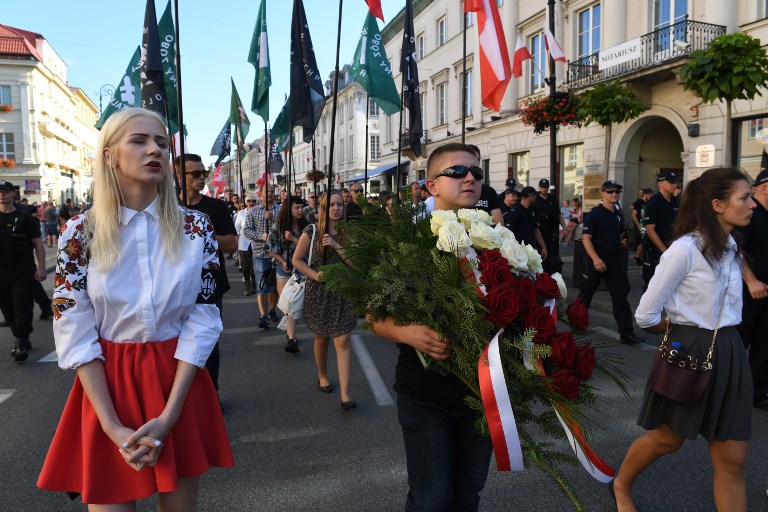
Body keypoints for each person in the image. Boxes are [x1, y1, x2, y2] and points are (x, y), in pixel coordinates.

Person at [37, 108, 233, 508]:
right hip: (107, 385)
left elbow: (204, 315)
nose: (154, 150)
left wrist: (170, 415)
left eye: (161, 142)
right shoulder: (81, 231)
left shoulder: (196, 228)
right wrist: (110, 425)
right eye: (139, 141)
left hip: (177, 378)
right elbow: (71, 321)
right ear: (109, 155)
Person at [612, 167, 755, 512]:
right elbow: (645, 313)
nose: (752, 203)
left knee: (732, 459)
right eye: (745, 197)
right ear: (718, 205)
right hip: (689, 350)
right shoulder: (684, 250)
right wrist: (677, 331)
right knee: (667, 439)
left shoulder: (731, 244)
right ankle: (621, 485)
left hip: (731, 351)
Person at [369, 143, 493, 511]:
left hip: (483, 388)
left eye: (476, 172)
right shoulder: (407, 241)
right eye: (457, 171)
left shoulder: (496, 239)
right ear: (432, 185)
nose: (470, 177)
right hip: (426, 392)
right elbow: (374, 314)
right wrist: (408, 333)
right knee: (430, 499)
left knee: (468, 493)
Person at [175, 153, 237, 393]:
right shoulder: (167, 205)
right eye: (196, 174)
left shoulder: (216, 206)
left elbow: (231, 243)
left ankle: (211, 393)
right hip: (176, 283)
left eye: (204, 173)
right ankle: (182, 395)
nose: (202, 178)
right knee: (176, 342)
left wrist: (197, 233)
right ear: (180, 177)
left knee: (208, 341)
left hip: (210, 284)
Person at [292, 191, 357, 409]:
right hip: (319, 291)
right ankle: (322, 374)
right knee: (322, 338)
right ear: (323, 208)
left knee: (343, 340)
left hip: (343, 290)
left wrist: (337, 246)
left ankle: (346, 395)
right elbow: (297, 260)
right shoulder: (311, 231)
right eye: (331, 205)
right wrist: (316, 276)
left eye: (339, 204)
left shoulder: (350, 232)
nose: (336, 208)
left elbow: (357, 264)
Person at [574, 181, 643, 345]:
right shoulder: (594, 214)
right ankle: (577, 325)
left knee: (620, 296)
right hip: (595, 261)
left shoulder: (618, 214)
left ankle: (627, 333)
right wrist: (596, 259)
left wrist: (623, 242)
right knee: (586, 294)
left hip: (614, 261)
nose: (614, 194)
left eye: (617, 192)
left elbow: (621, 235)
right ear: (603, 194)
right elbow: (586, 239)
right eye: (610, 191)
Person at [0, 181, 47, 361]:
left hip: (22, 269)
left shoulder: (25, 217)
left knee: (22, 305)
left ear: (13, 195)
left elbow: (37, 243)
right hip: (1, 271)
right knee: (7, 307)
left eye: (6, 192)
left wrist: (41, 267)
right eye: (0, 192)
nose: (2, 195)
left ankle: (20, 340)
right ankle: (20, 336)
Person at [736, 168, 768, 411]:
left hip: (766, 292)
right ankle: (726, 389)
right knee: (739, 342)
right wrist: (751, 280)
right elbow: (735, 249)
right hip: (749, 292)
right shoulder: (751, 212)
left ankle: (757, 393)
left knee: (764, 344)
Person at [268, 196, 308, 354]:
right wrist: (282, 261)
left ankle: (291, 338)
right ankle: (290, 334)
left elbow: (310, 247)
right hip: (283, 268)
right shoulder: (278, 226)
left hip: (301, 268)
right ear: (289, 209)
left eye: (301, 207)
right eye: (296, 208)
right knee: (287, 304)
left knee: (293, 303)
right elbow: (270, 248)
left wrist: (293, 238)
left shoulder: (306, 226)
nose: (299, 211)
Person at [243, 185, 281, 329]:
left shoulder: (280, 210)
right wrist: (261, 236)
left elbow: (284, 228)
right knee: (262, 284)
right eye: (267, 191)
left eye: (272, 191)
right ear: (261, 193)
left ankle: (272, 310)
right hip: (260, 252)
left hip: (277, 252)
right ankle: (262, 315)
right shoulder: (253, 211)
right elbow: (247, 230)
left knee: (274, 286)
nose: (270, 194)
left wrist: (273, 219)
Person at [641, 170, 680, 291]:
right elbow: (650, 229)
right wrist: (664, 250)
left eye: (675, 182)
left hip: (672, 248)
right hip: (656, 251)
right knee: (652, 284)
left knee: (670, 283)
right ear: (661, 183)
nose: (674, 185)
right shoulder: (653, 203)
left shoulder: (675, 202)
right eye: (671, 182)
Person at [503, 186, 548, 260]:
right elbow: (510, 233)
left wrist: (543, 247)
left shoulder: (530, 211)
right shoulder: (515, 212)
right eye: (534, 195)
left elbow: (536, 230)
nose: (536, 197)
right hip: (520, 251)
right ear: (530, 196)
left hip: (531, 249)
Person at [533, 178, 567, 274]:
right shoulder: (535, 199)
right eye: (542, 187)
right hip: (540, 231)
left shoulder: (552, 199)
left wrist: (564, 227)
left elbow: (559, 214)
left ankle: (552, 273)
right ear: (539, 188)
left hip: (552, 231)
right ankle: (541, 273)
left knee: (552, 254)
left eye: (546, 187)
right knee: (541, 253)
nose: (544, 189)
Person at [235, 195, 256, 296]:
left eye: (253, 201)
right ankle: (247, 287)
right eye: (249, 200)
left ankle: (254, 286)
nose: (251, 202)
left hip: (256, 242)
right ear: (246, 202)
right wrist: (236, 240)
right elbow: (237, 228)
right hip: (244, 243)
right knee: (245, 266)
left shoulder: (259, 212)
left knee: (255, 266)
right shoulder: (241, 213)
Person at [632, 188, 654, 265]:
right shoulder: (639, 202)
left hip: (646, 224)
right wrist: (638, 225)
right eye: (649, 194)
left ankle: (641, 257)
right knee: (643, 241)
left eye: (652, 194)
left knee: (644, 241)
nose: (651, 196)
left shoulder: (649, 203)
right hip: (641, 224)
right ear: (645, 195)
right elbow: (634, 215)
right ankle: (637, 257)